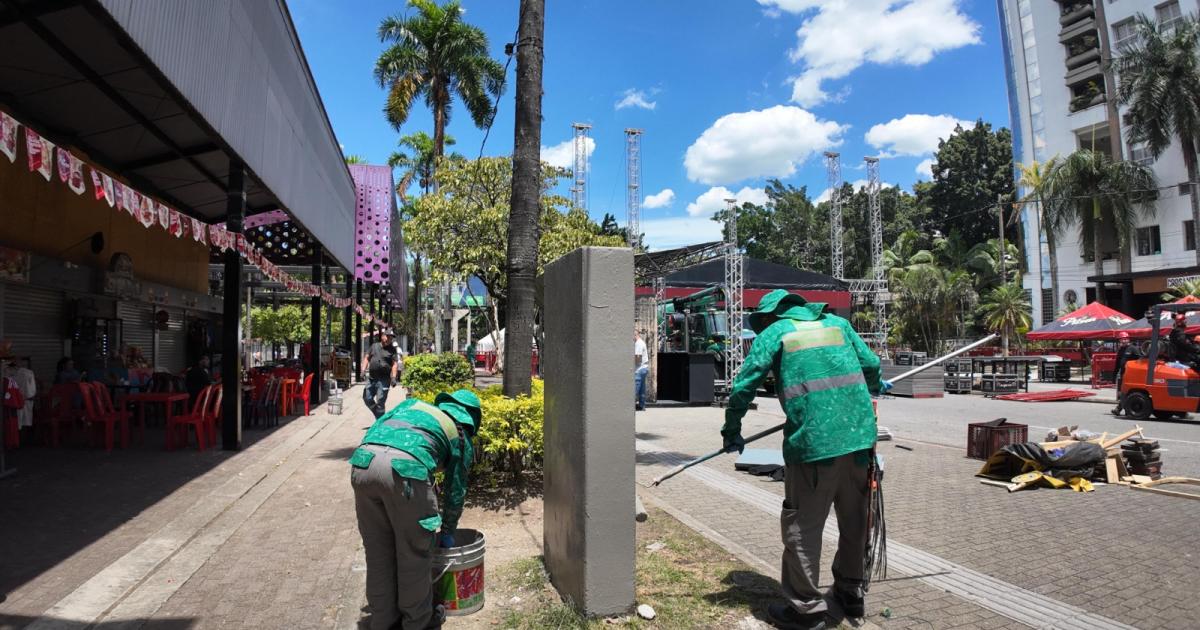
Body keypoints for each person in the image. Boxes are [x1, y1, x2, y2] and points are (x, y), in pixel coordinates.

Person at [720, 289, 892, 630]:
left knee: (803, 526)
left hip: (813, 445)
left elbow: (744, 386)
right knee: (855, 521)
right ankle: (850, 592)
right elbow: (871, 365)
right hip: (859, 440)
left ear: (771, 316)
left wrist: (731, 430)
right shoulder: (838, 325)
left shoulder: (776, 333)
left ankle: (807, 609)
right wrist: (876, 384)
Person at [350, 388, 480, 630]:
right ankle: (417, 622)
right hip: (405, 471)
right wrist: (448, 531)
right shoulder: (460, 435)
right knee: (414, 555)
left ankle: (383, 621)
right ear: (470, 419)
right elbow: (455, 491)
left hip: (362, 463)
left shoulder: (414, 407)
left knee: (378, 553)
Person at [362, 330, 400, 419]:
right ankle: (378, 414)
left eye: (391, 338)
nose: (389, 339)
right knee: (367, 397)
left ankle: (380, 420)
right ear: (382, 336)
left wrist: (394, 377)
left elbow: (394, 364)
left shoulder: (392, 350)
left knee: (381, 401)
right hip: (372, 378)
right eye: (388, 337)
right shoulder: (374, 346)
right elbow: (367, 358)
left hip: (384, 379)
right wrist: (363, 370)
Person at [1112, 332, 1138, 416]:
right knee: (1123, 392)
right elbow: (1117, 364)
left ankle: (1120, 409)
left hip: (1132, 375)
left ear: (1128, 339)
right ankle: (1124, 409)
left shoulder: (1133, 349)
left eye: (1125, 339)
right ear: (1120, 341)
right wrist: (1114, 375)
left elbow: (1140, 360)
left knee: (1127, 392)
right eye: (1122, 339)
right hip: (1124, 374)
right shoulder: (1120, 350)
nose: (1124, 341)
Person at [634, 330, 649, 411]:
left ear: (635, 335)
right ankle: (641, 406)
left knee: (635, 388)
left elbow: (638, 357)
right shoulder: (641, 342)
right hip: (644, 368)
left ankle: (628, 405)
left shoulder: (638, 343)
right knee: (642, 389)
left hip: (639, 369)